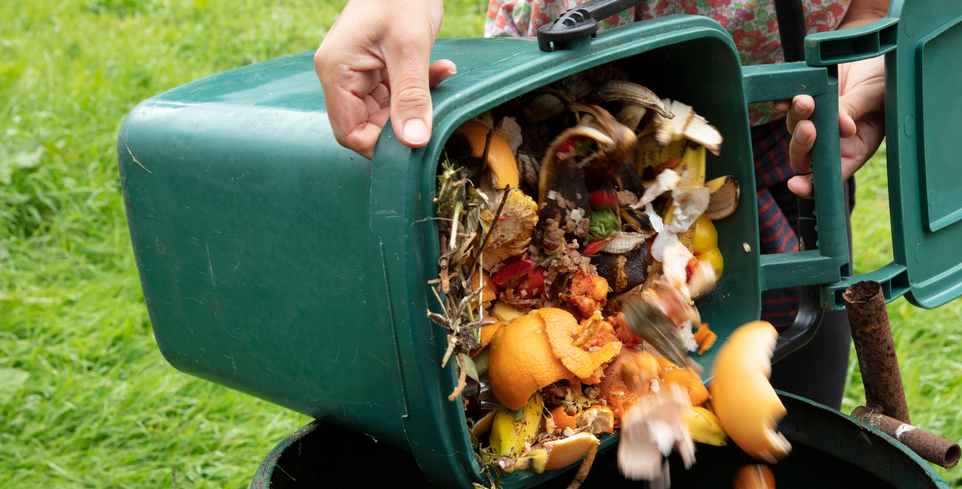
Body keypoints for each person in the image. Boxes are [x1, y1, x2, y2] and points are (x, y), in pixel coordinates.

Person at [313, 0, 888, 408]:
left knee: (797, 375)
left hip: (780, 129)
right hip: (545, 110)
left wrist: (868, 33)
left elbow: (875, 12)